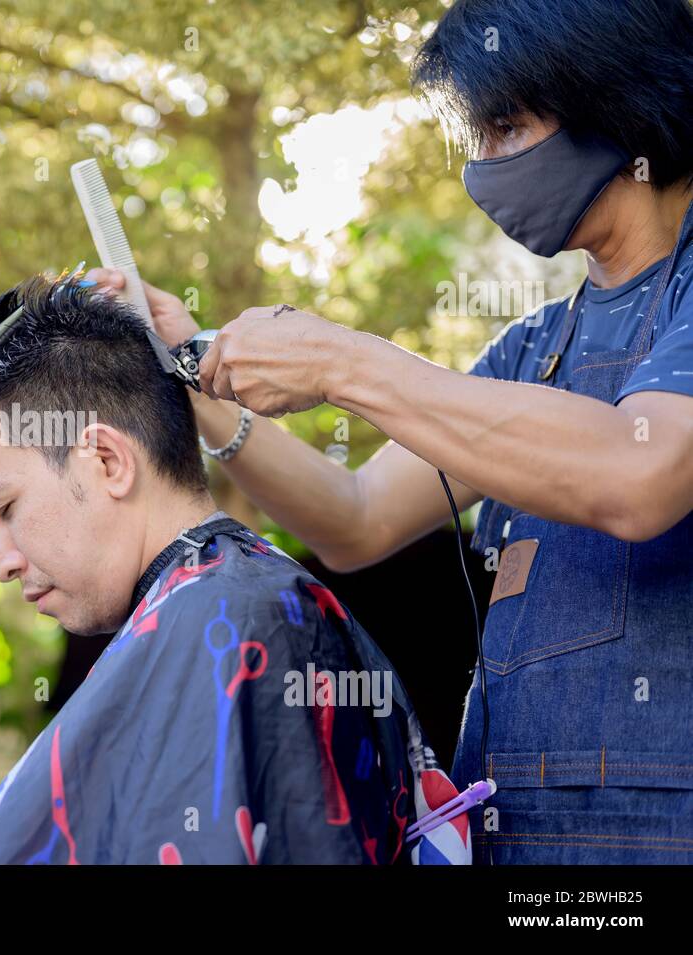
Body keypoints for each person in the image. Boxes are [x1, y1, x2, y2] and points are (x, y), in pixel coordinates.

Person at [85, 0, 693, 865]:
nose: (483, 170)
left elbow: (644, 470)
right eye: (474, 138)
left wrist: (345, 363)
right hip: (517, 844)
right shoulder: (531, 349)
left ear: (612, 97)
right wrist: (189, 369)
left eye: (507, 127)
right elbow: (355, 515)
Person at [0, 272, 469, 864]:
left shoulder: (248, 619)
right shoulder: (213, 612)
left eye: (5, 509)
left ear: (106, 460)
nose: (1, 563)